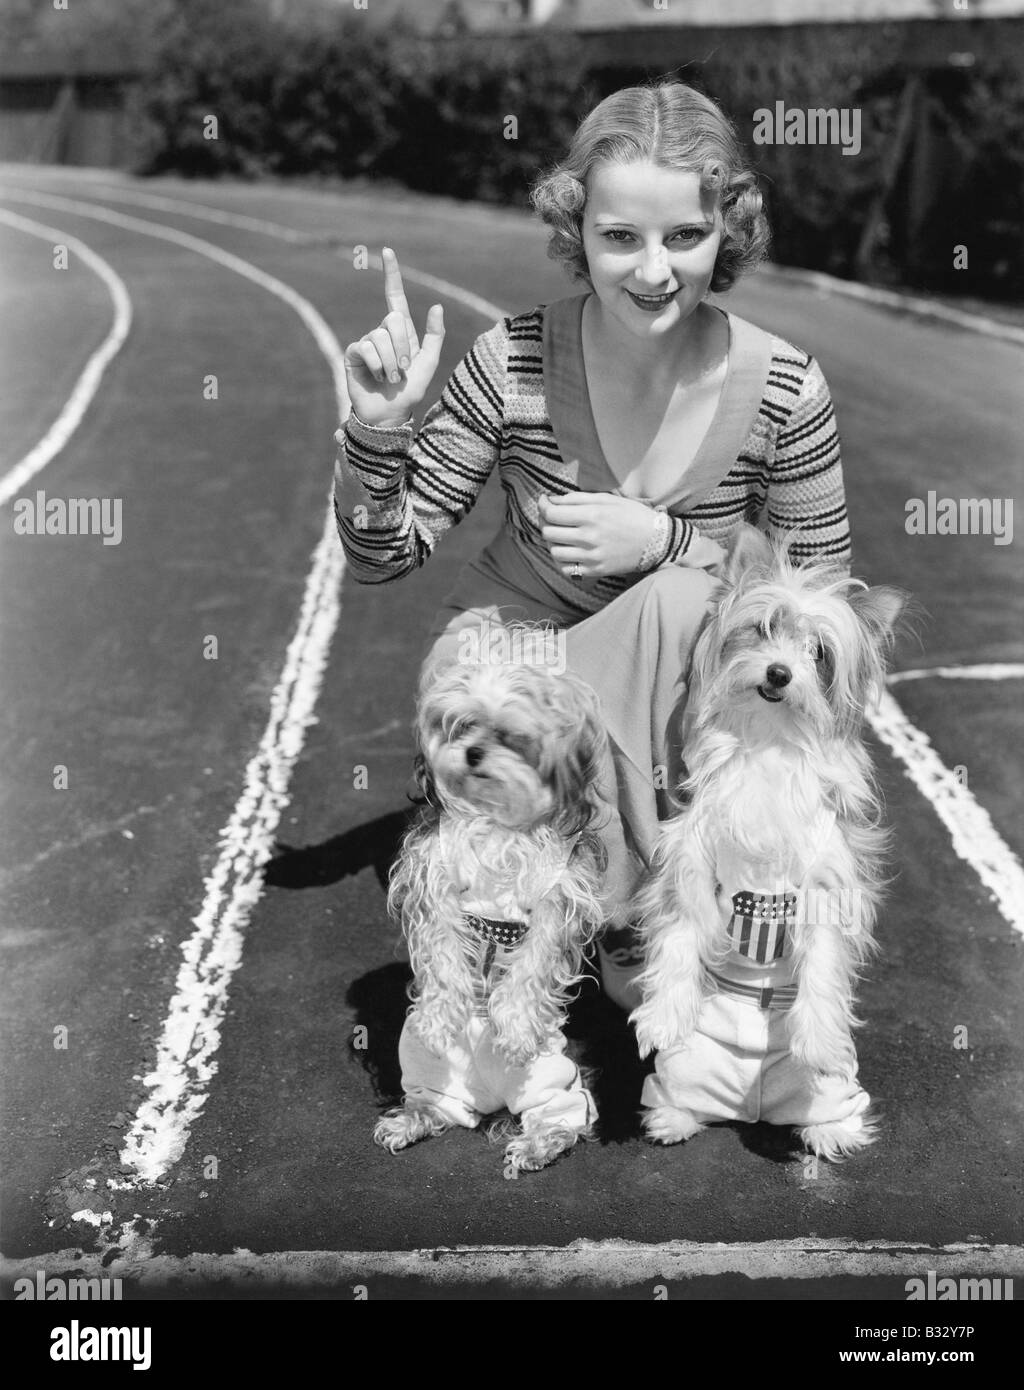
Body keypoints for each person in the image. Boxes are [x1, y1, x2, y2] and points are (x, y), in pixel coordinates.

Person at [333, 82, 851, 1009]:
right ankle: (517, 900)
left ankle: (634, 910)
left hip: (674, 662)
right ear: (578, 229)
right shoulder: (513, 361)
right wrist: (378, 435)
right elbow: (386, 554)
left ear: (727, 232)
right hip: (527, 637)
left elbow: (820, 598)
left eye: (684, 238)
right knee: (487, 665)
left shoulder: (785, 391)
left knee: (678, 603)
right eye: (620, 238)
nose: (653, 272)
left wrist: (668, 538)